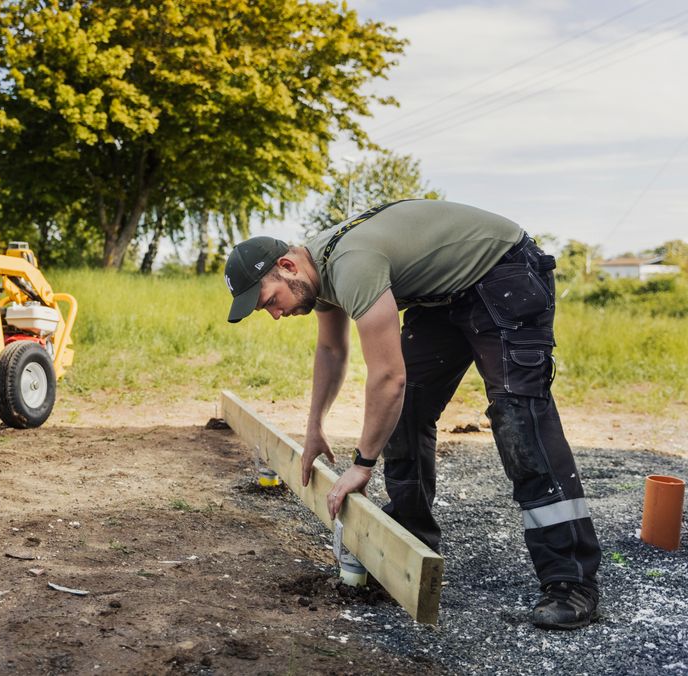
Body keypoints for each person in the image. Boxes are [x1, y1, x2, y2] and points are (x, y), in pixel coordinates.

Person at [224, 199, 602, 630]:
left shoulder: (351, 264)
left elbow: (388, 377)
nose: (275, 313)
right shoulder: (319, 272)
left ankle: (571, 580)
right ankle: (410, 541)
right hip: (446, 296)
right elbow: (331, 350)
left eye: (269, 300)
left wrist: (362, 465)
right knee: (404, 413)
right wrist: (314, 429)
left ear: (288, 266)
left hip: (504, 272)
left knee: (519, 418)